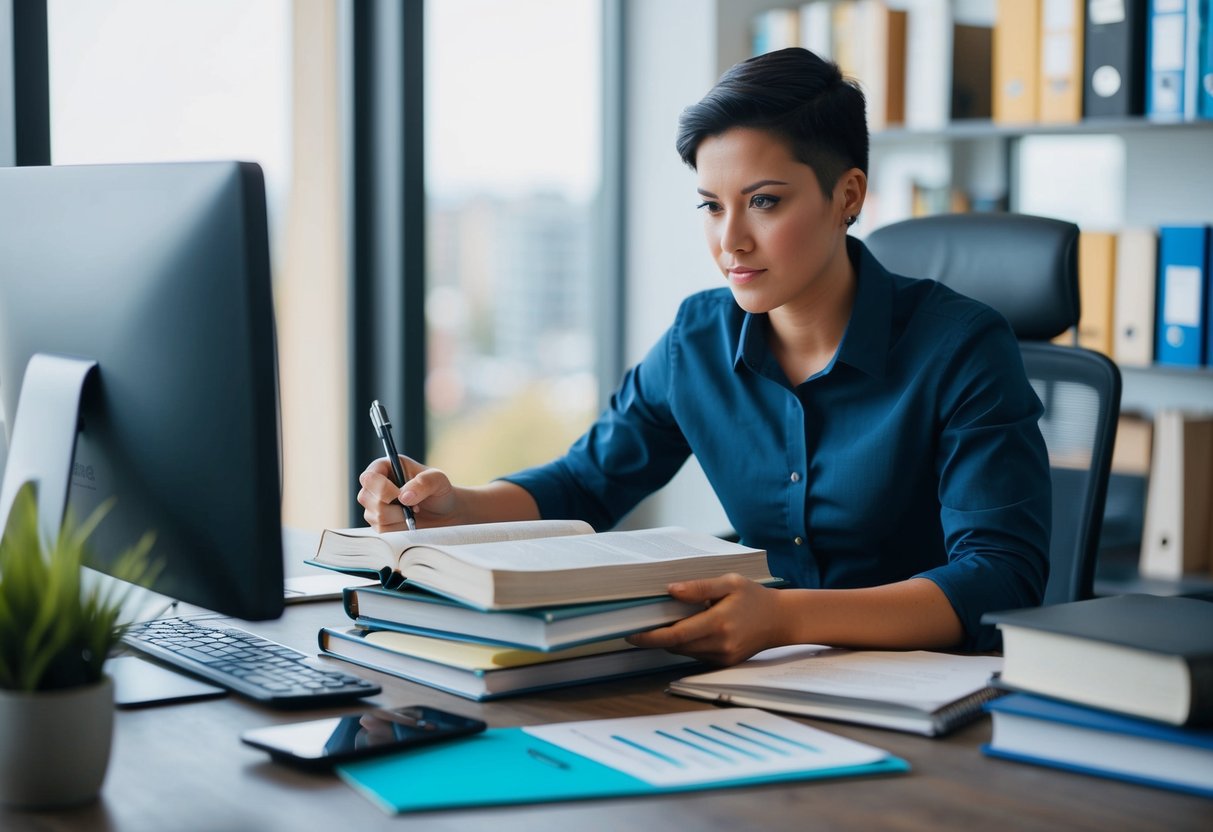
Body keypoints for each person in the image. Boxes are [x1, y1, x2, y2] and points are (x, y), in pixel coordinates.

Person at [358, 48, 1050, 664]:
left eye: (764, 203)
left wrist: (782, 618)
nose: (730, 242)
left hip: (929, 690)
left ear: (847, 196)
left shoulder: (960, 347)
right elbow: (587, 483)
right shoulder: (699, 338)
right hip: (761, 679)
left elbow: (999, 577)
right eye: (711, 207)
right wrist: (457, 505)